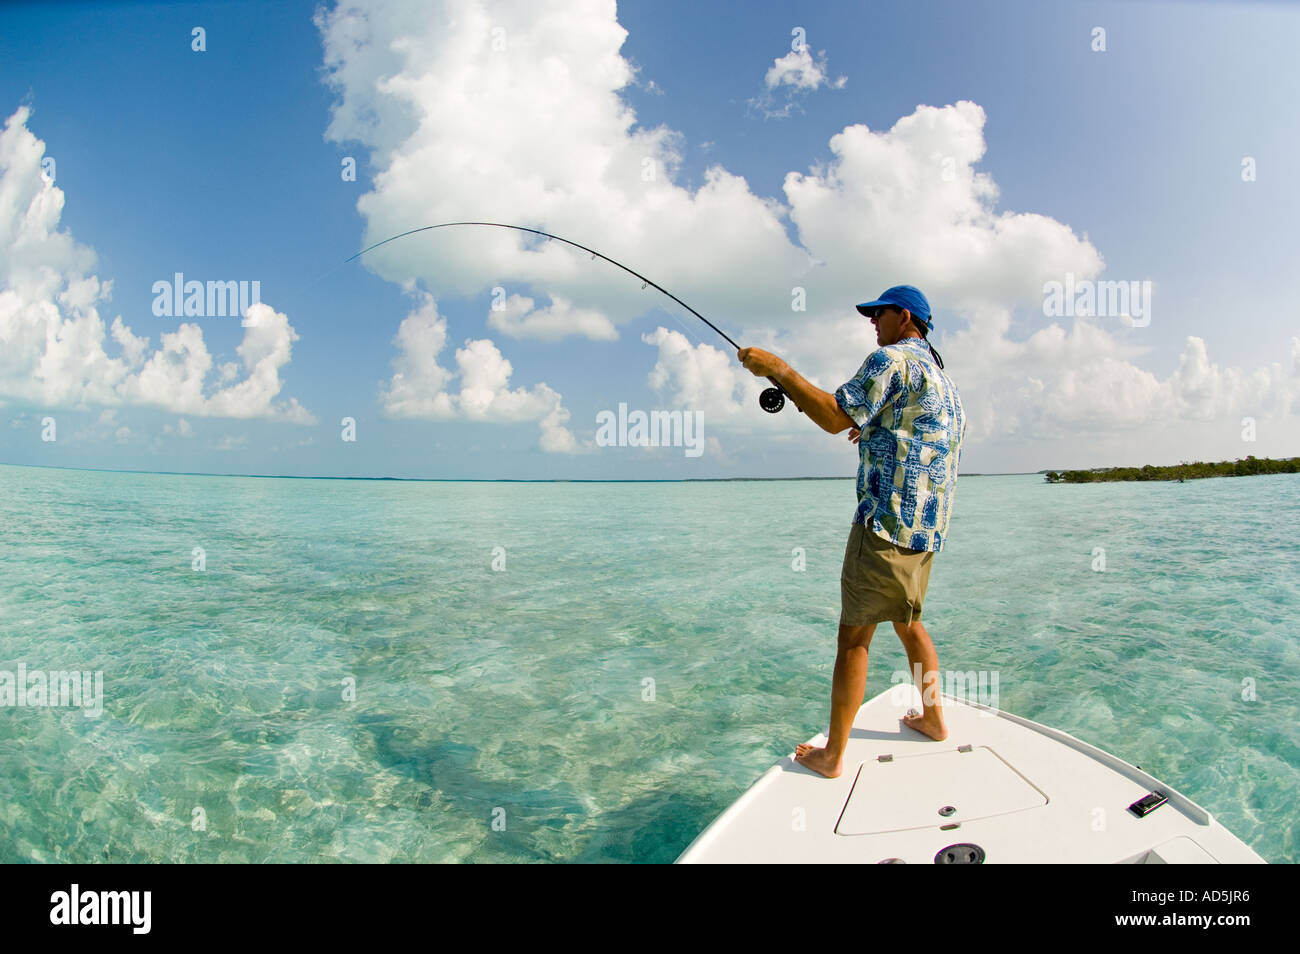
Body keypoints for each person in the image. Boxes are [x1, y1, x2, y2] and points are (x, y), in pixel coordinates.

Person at [737, 285, 966, 778]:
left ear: (904, 317)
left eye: (877, 314)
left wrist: (778, 369)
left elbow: (830, 416)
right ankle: (932, 718)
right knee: (908, 621)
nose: (872, 323)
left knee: (854, 638)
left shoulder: (890, 360)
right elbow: (922, 432)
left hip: (885, 522)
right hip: (926, 529)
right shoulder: (940, 378)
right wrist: (877, 428)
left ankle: (833, 755)